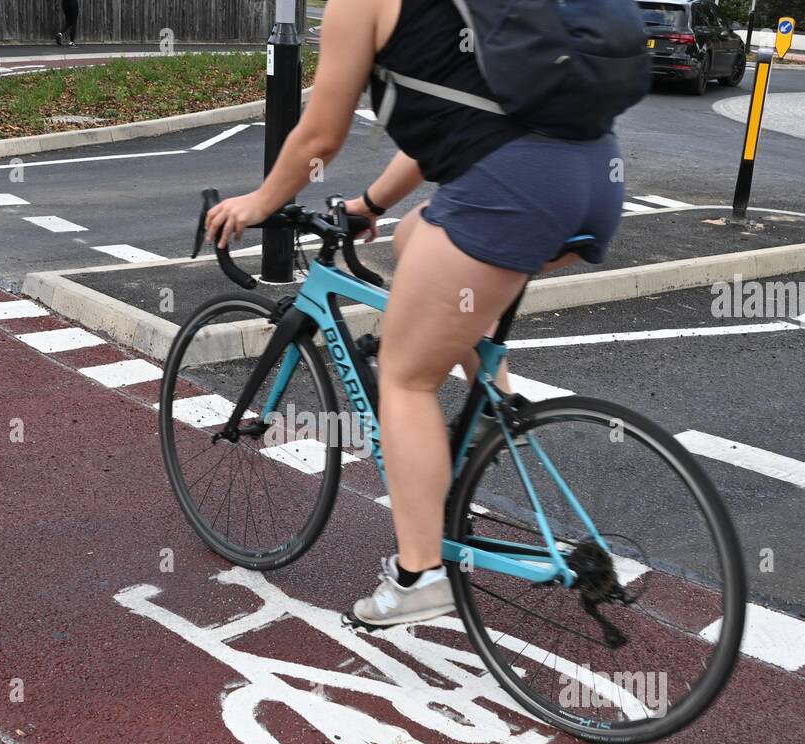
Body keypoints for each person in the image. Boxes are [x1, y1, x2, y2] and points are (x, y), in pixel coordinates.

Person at [205, 0, 626, 628]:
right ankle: (491, 395)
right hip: (593, 182)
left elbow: (320, 136)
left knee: (405, 376)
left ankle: (419, 575)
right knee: (419, 239)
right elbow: (461, 120)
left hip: (509, 192)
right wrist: (371, 204)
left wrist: (261, 201)